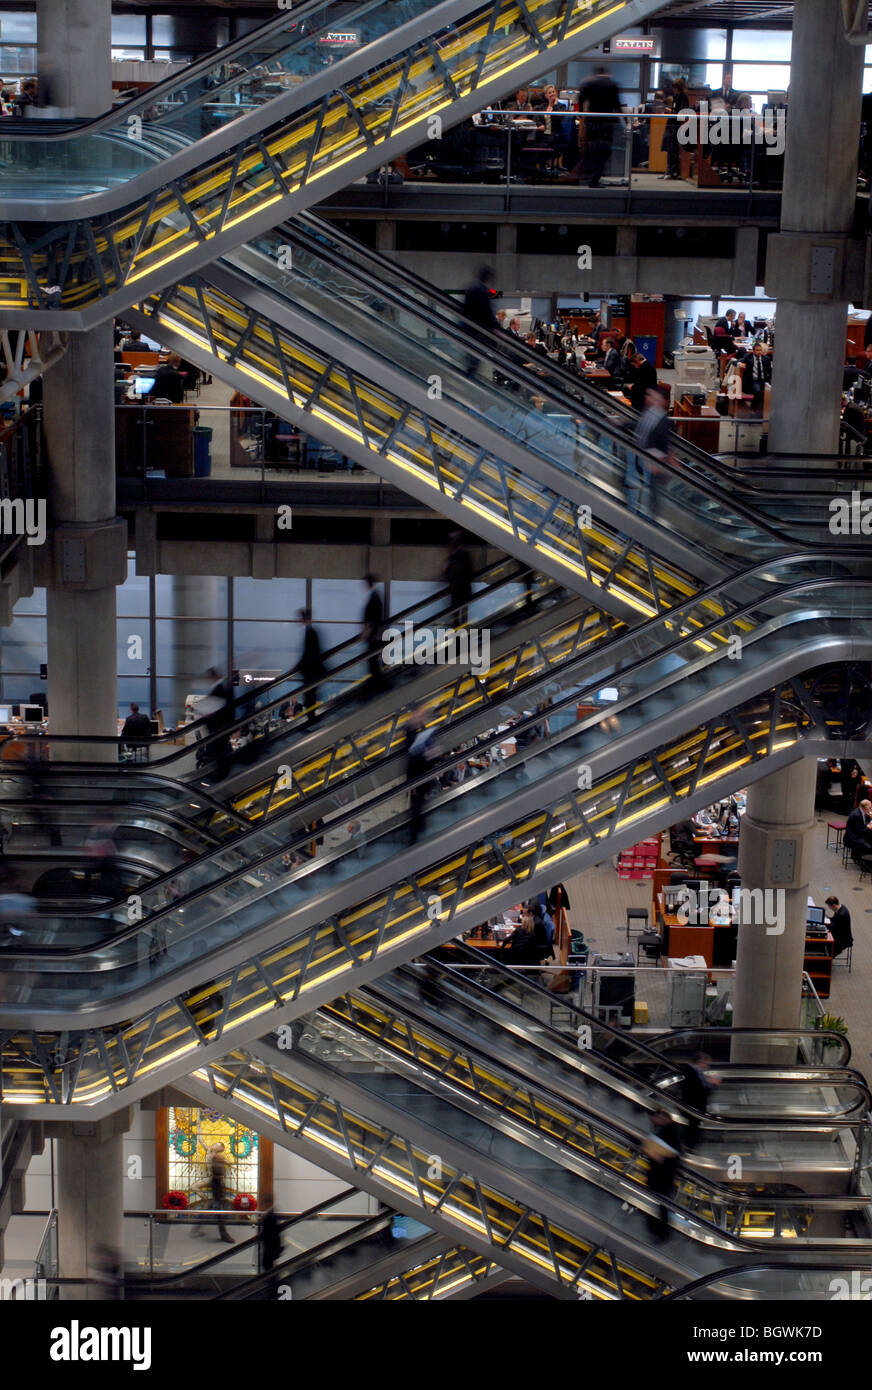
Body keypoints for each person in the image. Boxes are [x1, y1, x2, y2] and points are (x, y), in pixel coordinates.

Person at [628, 385, 672, 514]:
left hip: (652, 464)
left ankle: (652, 520)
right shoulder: (649, 413)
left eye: (652, 396)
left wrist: (661, 460)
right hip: (640, 462)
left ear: (662, 400)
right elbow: (639, 426)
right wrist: (620, 423)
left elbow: (664, 444)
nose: (648, 398)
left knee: (652, 495)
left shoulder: (663, 420)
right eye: (648, 395)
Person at [575, 65, 622, 188]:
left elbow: (580, 99)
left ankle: (587, 178)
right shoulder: (612, 84)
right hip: (607, 123)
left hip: (592, 121)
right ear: (606, 73)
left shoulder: (588, 83)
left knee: (591, 150)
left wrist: (581, 114)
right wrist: (625, 118)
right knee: (604, 152)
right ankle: (595, 179)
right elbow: (617, 104)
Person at [643, 1109, 682, 1240]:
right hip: (661, 1175)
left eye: (655, 1117)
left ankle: (661, 1233)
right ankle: (659, 1231)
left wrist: (658, 1154)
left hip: (662, 1175)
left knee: (662, 1205)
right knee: (661, 1205)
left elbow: (672, 1153)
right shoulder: (666, 1130)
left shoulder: (669, 1131)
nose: (653, 1120)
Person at [405, 705, 438, 845]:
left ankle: (420, 827)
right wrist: (427, 753)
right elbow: (412, 752)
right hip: (416, 774)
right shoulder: (410, 731)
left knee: (420, 803)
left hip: (422, 774)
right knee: (417, 804)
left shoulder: (418, 730)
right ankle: (414, 835)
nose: (422, 718)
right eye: (420, 715)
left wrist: (432, 753)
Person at [679, 1052, 718, 1147]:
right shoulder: (691, 1072)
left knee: (693, 1128)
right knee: (692, 1129)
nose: (707, 1067)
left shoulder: (694, 1071)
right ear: (700, 1062)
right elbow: (698, 1091)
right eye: (707, 1064)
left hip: (694, 1106)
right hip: (693, 1106)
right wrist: (713, 1084)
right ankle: (690, 1146)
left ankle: (691, 1145)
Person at [296, 608, 325, 725]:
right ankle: (312, 718)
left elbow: (310, 653)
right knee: (310, 696)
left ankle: (311, 719)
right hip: (313, 671)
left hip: (311, 672)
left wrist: (299, 665)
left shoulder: (311, 633)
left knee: (309, 696)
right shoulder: (312, 632)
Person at [361, 575, 385, 693]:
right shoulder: (376, 596)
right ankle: (376, 682)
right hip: (374, 635)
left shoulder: (374, 598)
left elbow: (373, 619)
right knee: (373, 660)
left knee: (372, 660)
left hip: (373, 637)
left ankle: (376, 684)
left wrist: (367, 632)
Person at [207, 1142, 234, 1244]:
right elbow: (218, 1171)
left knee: (216, 1205)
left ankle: (197, 1227)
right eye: (218, 1144)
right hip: (216, 1184)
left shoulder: (217, 1156)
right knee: (218, 1208)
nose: (217, 1145)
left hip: (217, 1184)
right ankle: (224, 1234)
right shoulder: (215, 1157)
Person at [444, 531, 472, 625]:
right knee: (459, 614)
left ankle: (460, 633)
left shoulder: (459, 555)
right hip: (459, 590)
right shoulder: (459, 554)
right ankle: (459, 632)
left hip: (459, 590)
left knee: (459, 615)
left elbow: (464, 572)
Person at [462, 265, 499, 333]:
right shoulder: (483, 290)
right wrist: (495, 327)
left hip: (471, 327)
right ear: (487, 277)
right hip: (479, 329)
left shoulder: (471, 287)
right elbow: (487, 312)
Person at [259, 1194, 282, 1298]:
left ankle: (273, 1291)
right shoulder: (273, 1214)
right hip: (272, 1247)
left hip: (270, 1248)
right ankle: (273, 1290)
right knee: (270, 1267)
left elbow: (270, 1233)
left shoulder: (270, 1216)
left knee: (268, 1267)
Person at [743, 342, 771, 414]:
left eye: (760, 350)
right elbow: (737, 361)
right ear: (753, 351)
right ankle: (754, 409)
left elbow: (770, 371)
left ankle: (763, 410)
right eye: (757, 350)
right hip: (753, 380)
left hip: (764, 380)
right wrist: (739, 364)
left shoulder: (766, 359)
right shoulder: (748, 357)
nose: (759, 352)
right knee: (758, 391)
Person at [844, 798, 872, 862]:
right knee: (869, 847)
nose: (871, 809)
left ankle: (859, 857)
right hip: (852, 838)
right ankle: (864, 864)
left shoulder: (864, 812)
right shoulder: (856, 815)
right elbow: (860, 831)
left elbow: (865, 823)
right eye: (870, 808)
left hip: (859, 834)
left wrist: (870, 819)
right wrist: (869, 827)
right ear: (865, 807)